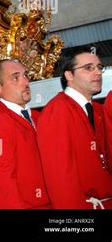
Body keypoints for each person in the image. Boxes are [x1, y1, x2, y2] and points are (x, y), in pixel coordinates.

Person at [37, 48, 112, 209]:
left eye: (99, 67)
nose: (97, 72)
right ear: (69, 75)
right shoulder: (57, 111)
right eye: (88, 68)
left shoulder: (98, 110)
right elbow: (59, 177)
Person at [0, 60, 50, 209]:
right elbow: (2, 183)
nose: (25, 82)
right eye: (15, 78)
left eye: (25, 75)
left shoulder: (39, 117)